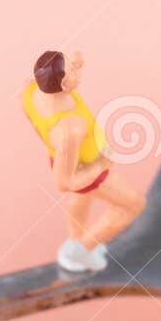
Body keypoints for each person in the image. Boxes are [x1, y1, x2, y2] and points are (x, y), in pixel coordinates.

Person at [23, 49, 146, 272]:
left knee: (82, 198)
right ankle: (80, 251)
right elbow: (65, 183)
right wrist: (100, 164)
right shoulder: (70, 130)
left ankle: (74, 238)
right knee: (133, 205)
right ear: (62, 85)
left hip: (65, 157)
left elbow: (35, 118)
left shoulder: (31, 89)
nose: (77, 71)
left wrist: (72, 64)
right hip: (87, 169)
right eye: (71, 69)